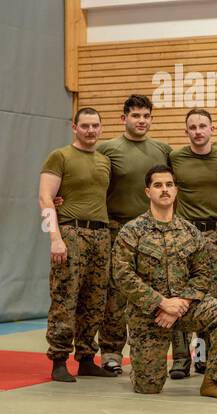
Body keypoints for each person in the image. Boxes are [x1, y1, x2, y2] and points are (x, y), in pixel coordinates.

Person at [111, 164, 217, 399]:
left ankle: (212, 381)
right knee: (148, 387)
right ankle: (140, 370)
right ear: (148, 191)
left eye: (169, 185)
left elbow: (204, 274)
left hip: (183, 307)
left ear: (176, 190)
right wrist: (161, 302)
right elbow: (122, 275)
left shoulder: (190, 231)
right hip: (148, 315)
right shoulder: (132, 231)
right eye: (158, 185)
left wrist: (179, 303)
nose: (164, 190)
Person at [96, 94, 173, 375]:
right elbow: (92, 184)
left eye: (146, 116)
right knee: (116, 293)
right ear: (124, 118)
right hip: (118, 228)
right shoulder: (107, 149)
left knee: (154, 291)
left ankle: (151, 352)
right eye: (136, 116)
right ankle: (111, 352)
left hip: (153, 231)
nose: (142, 121)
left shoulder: (163, 149)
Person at [39, 107, 117, 382]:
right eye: (85, 126)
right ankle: (59, 359)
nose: (91, 130)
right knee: (65, 297)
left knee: (95, 299)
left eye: (95, 125)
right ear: (74, 127)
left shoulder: (104, 160)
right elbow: (45, 199)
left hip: (100, 234)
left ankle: (85, 357)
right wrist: (55, 238)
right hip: (71, 233)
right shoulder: (60, 156)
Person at [168, 108, 217, 378]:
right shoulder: (175, 157)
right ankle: (181, 359)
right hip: (183, 233)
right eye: (192, 127)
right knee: (179, 295)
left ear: (212, 130)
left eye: (203, 126)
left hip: (215, 234)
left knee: (210, 297)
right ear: (186, 131)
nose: (198, 131)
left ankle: (202, 355)